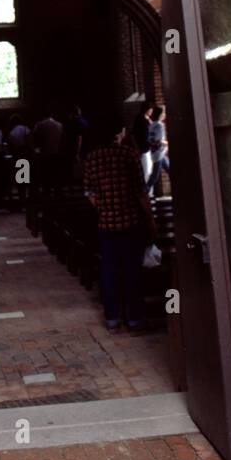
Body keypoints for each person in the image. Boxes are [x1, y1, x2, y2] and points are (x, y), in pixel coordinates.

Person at [84, 115, 158, 331]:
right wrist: (151, 220)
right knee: (132, 271)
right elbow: (140, 192)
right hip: (130, 222)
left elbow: (89, 191)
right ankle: (134, 317)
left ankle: (112, 317)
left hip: (106, 224)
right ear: (118, 132)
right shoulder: (128, 155)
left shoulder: (92, 158)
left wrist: (103, 205)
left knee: (109, 270)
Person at [33, 110, 64, 194]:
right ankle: (58, 190)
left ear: (43, 116)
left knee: (45, 173)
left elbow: (35, 138)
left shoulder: (40, 124)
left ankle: (47, 190)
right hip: (57, 152)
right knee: (56, 172)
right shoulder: (59, 124)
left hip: (45, 152)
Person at [147, 105, 170, 195]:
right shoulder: (160, 125)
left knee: (169, 170)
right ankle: (145, 191)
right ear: (161, 114)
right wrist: (168, 143)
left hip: (158, 153)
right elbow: (158, 141)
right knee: (155, 175)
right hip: (159, 152)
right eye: (164, 112)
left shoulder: (152, 124)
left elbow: (151, 139)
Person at [131, 103, 153, 185]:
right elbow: (134, 134)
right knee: (146, 170)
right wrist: (136, 147)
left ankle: (147, 191)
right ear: (147, 109)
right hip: (142, 148)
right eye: (151, 109)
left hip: (147, 147)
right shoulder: (140, 119)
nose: (152, 111)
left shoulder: (147, 119)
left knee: (149, 169)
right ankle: (144, 190)